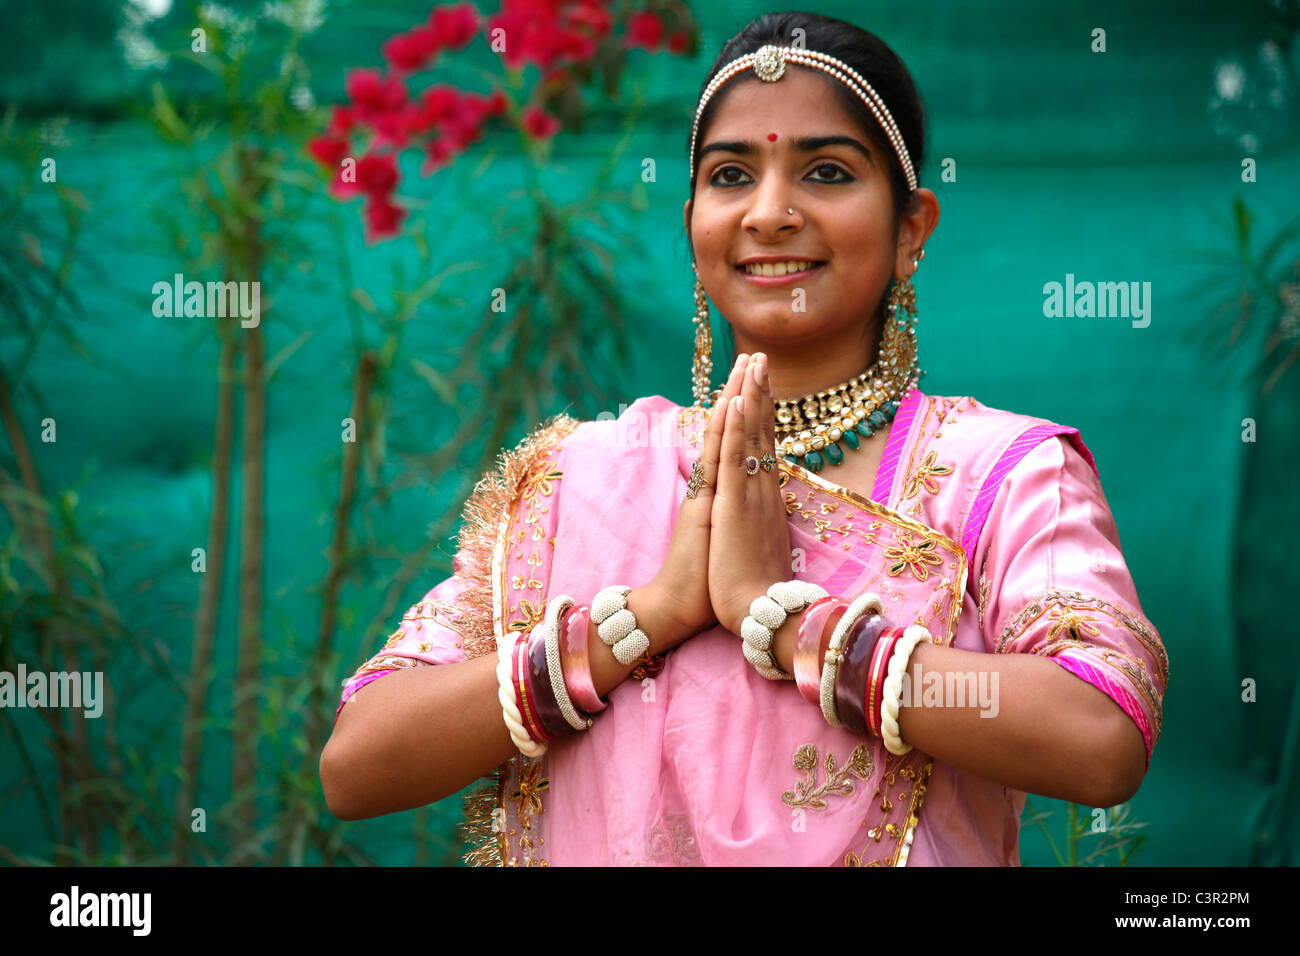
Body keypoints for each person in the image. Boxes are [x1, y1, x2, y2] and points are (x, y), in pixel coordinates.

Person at [319, 11, 1167, 866]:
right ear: (694, 225)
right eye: (732, 175)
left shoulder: (1000, 475)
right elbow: (358, 763)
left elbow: (1101, 732)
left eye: (826, 172)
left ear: (912, 228)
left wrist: (804, 632)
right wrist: (647, 617)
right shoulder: (585, 477)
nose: (769, 213)